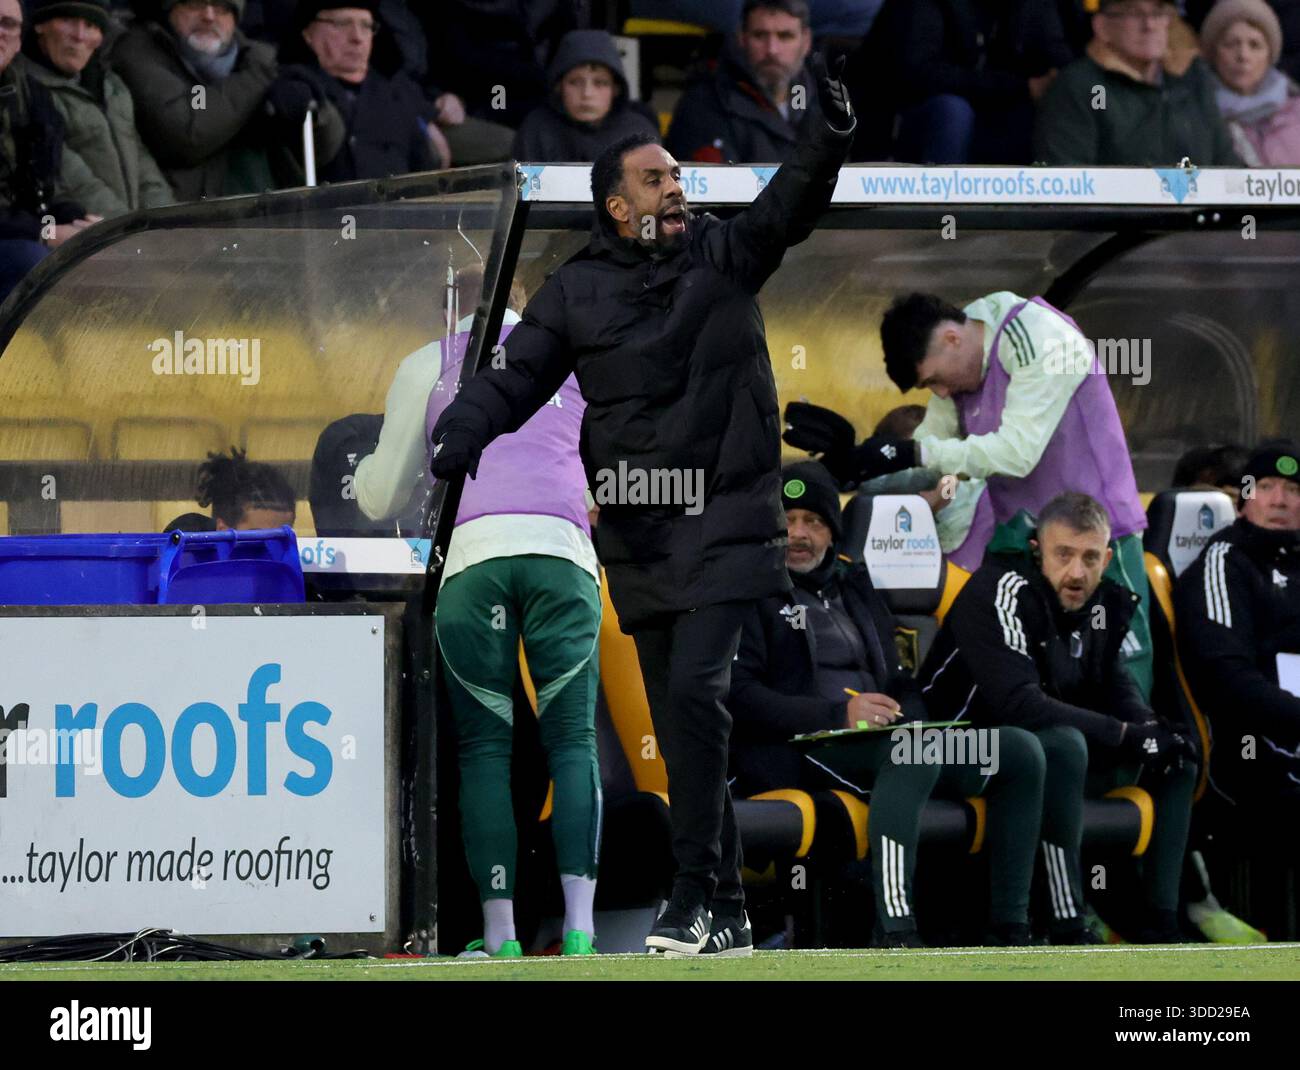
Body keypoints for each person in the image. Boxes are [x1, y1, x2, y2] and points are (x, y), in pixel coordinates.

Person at [428, 55, 856, 957]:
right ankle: (732, 910)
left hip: (731, 517)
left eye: (678, 175)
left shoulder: (723, 254)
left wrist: (826, 133)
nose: (676, 188)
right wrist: (465, 430)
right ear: (617, 208)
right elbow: (517, 376)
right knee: (680, 720)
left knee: (697, 698)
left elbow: (789, 210)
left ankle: (693, 894)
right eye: (656, 178)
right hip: (638, 525)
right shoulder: (576, 290)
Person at [358, 268, 602, 959]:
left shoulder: (426, 362)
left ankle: (500, 936)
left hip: (475, 561)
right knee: (573, 743)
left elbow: (380, 497)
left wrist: (360, 481)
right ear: (524, 303)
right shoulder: (570, 355)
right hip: (560, 554)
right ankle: (580, 929)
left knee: (484, 751)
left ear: (449, 308)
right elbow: (603, 466)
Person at [729, 461, 1047, 947]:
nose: (798, 533)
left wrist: (918, 723)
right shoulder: (750, 593)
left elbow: (900, 680)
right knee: (910, 754)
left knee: (1019, 752)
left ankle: (1011, 926)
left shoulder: (855, 587)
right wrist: (839, 716)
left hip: (888, 742)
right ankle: (896, 929)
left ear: (832, 533)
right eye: (786, 519)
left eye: (812, 522)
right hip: (804, 749)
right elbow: (742, 697)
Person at [785, 290, 1155, 697]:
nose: (939, 394)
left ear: (951, 339)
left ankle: (1134, 754)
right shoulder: (964, 358)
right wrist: (855, 464)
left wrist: (907, 451)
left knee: (1117, 668)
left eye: (933, 381)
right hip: (1026, 543)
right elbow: (933, 448)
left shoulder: (1041, 337)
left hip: (1099, 537)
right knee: (1033, 674)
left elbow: (1016, 453)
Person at [919, 492, 1198, 943]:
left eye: (1090, 558)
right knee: (1061, 745)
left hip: (1040, 752)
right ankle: (1063, 923)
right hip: (957, 748)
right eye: (1063, 554)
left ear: (1108, 557)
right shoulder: (1001, 589)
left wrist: (1147, 730)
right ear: (1037, 550)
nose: (1077, 572)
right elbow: (1019, 704)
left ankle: (1161, 927)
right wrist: (1124, 734)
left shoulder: (1102, 605)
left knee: (1177, 756)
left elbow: (1114, 682)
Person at [1176, 442, 1300, 818]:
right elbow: (1227, 679)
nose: (1279, 500)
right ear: (1243, 498)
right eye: (1265, 487)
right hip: (1250, 746)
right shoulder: (1224, 563)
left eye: (1293, 490)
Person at [111, 0, 342, 199]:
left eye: (222, 8)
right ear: (170, 9)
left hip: (270, 222)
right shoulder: (141, 51)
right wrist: (259, 77)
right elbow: (188, 132)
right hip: (190, 229)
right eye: (195, 4)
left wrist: (314, 113)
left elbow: (324, 152)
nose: (209, 16)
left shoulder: (256, 58)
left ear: (235, 18)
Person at [1035, 0, 1240, 165]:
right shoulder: (1080, 87)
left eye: (1158, 12)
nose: (1149, 25)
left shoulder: (1193, 79)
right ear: (1102, 26)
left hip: (1199, 214)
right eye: (1133, 12)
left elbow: (1227, 166)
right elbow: (1069, 179)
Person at [21, 0, 173, 218]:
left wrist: (168, 222)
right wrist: (127, 230)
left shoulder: (113, 87)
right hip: (89, 236)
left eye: (91, 25)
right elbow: (72, 179)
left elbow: (142, 163)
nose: (80, 35)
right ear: (40, 25)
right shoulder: (25, 90)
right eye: (67, 20)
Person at [887, 0, 1073, 164]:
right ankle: (944, 199)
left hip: (999, 110)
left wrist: (1063, 78)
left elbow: (1054, 50)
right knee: (954, 111)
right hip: (924, 114)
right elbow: (921, 72)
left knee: (1049, 106)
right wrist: (1020, 87)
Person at [0, 0, 98, 302]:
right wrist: (44, 234)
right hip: (16, 245)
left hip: (17, 231)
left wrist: (81, 219)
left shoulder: (30, 95)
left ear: (18, 40)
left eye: (9, 24)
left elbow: (42, 186)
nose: (0, 32)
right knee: (33, 263)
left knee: (101, 254)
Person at [280, 0, 436, 181]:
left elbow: (424, 172)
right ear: (308, 33)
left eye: (366, 26)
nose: (357, 37)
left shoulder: (398, 95)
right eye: (342, 24)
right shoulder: (293, 88)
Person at [666, 0, 816, 164]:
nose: (772, 49)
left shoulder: (825, 102)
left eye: (785, 36)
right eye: (759, 35)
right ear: (742, 38)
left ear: (806, 41)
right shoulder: (703, 106)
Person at [511, 29, 658, 163]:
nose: (587, 93)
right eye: (575, 82)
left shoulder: (639, 133)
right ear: (559, 87)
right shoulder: (537, 130)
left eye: (600, 83)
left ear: (616, 89)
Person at [1201, 0, 1300, 165]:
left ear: (1270, 55)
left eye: (1255, 45)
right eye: (1231, 44)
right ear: (1214, 52)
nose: (1243, 56)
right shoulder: (1196, 116)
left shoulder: (1296, 111)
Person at [178, 447, 296, 530]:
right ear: (222, 529)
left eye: (283, 539)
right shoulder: (180, 562)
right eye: (257, 539)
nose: (272, 549)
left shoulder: (302, 564)